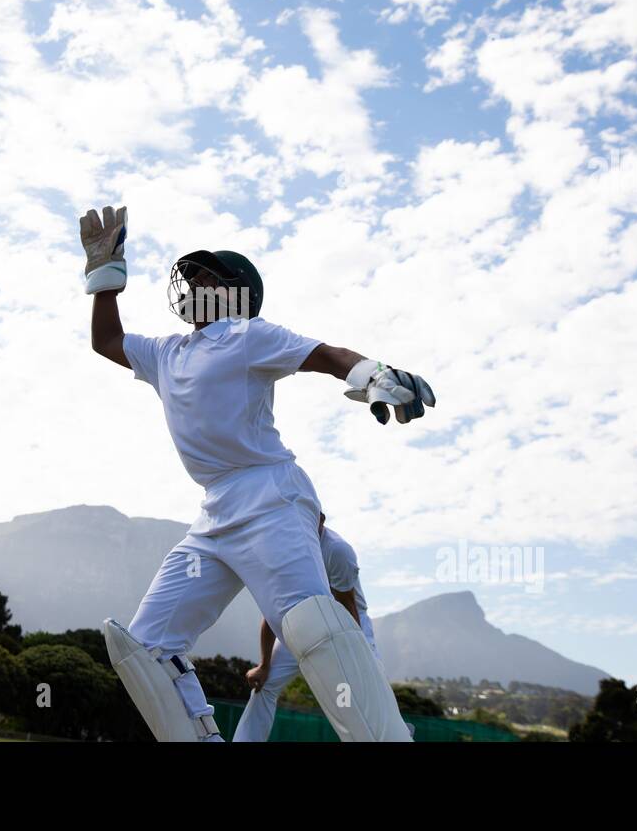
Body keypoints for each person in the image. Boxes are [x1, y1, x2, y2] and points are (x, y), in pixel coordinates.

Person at [81, 204, 434, 742]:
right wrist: (105, 274)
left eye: (206, 276)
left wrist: (374, 374)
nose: (193, 282)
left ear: (235, 291)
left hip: (270, 497)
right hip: (214, 513)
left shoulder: (248, 335)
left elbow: (326, 354)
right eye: (191, 275)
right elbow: (106, 342)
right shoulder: (166, 352)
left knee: (317, 634)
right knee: (147, 647)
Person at [235, 513, 410, 741]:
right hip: (300, 623)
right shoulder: (286, 551)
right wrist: (265, 665)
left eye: (308, 518)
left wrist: (353, 659)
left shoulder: (338, 551)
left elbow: (348, 606)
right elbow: (272, 612)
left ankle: (400, 734)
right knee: (264, 685)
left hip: (346, 623)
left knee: (370, 689)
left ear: (321, 519)